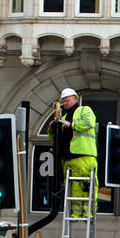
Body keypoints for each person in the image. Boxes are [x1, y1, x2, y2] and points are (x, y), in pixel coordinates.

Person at [48, 88, 98, 219]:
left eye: (67, 100)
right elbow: (55, 140)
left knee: (88, 187)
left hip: (85, 155)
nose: (65, 104)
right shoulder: (63, 118)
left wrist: (71, 125)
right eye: (63, 102)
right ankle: (75, 213)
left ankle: (88, 212)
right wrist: (52, 130)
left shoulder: (84, 110)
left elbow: (89, 123)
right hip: (69, 159)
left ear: (75, 99)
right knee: (73, 188)